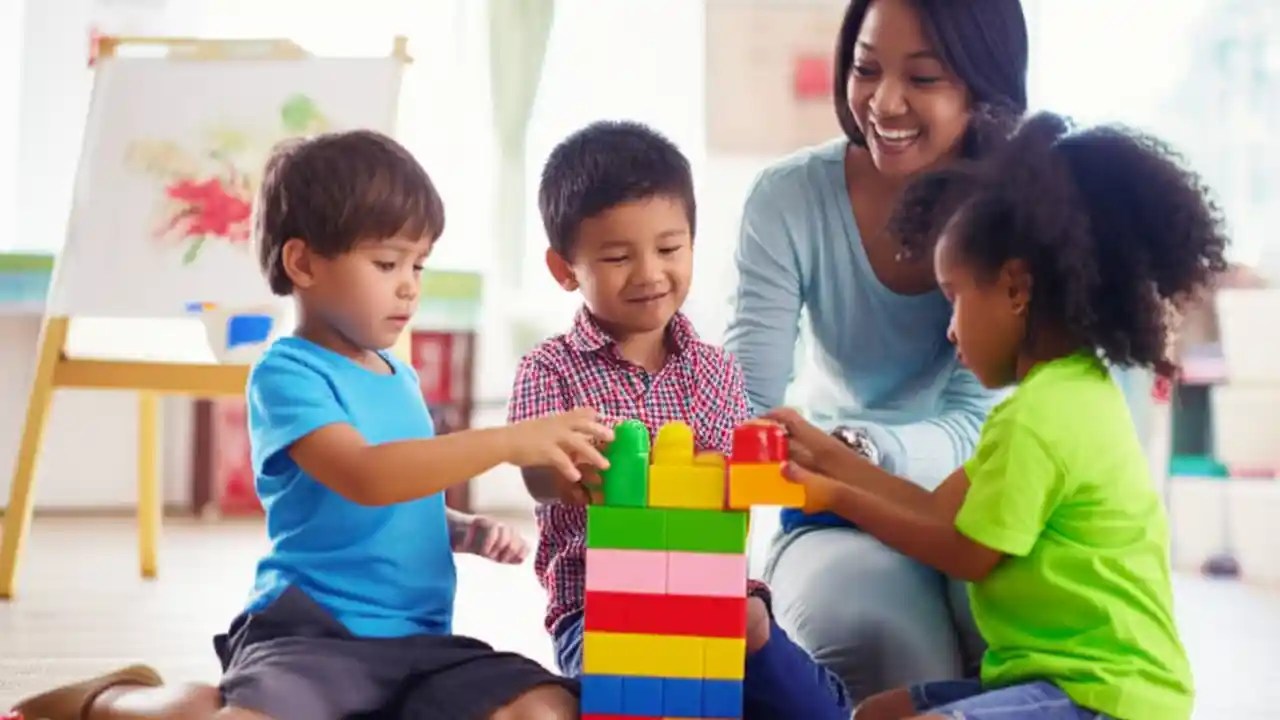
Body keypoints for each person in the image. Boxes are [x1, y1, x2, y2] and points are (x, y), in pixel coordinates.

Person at [11, 130, 615, 720]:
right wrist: (509, 441)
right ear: (302, 262)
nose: (409, 285)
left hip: (419, 646)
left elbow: (391, 500)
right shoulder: (287, 375)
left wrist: (458, 529)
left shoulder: (397, 378)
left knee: (546, 706)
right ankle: (112, 700)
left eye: (419, 264)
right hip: (313, 638)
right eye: (386, 262)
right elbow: (364, 476)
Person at [774, 111, 1222, 719]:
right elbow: (936, 509)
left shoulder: (1041, 417)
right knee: (879, 713)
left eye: (955, 298)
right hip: (1050, 680)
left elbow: (964, 551)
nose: (951, 329)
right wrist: (823, 451)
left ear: (1015, 289)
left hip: (1102, 696)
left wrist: (832, 496)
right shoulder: (1065, 392)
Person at [722, 0, 1030, 700]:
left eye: (923, 79)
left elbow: (983, 426)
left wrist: (855, 449)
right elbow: (744, 398)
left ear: (984, 87)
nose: (884, 102)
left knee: (1017, 639)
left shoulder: (1021, 216)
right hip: (838, 515)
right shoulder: (788, 199)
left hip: (987, 505)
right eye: (865, 69)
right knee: (889, 650)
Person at [508, 119, 851, 719]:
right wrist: (572, 472)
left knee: (806, 696)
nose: (649, 274)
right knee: (644, 693)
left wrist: (769, 468)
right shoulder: (549, 370)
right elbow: (535, 471)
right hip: (601, 603)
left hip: (714, 588)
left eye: (669, 249)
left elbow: (732, 488)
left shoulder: (715, 370)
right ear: (565, 269)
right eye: (617, 257)